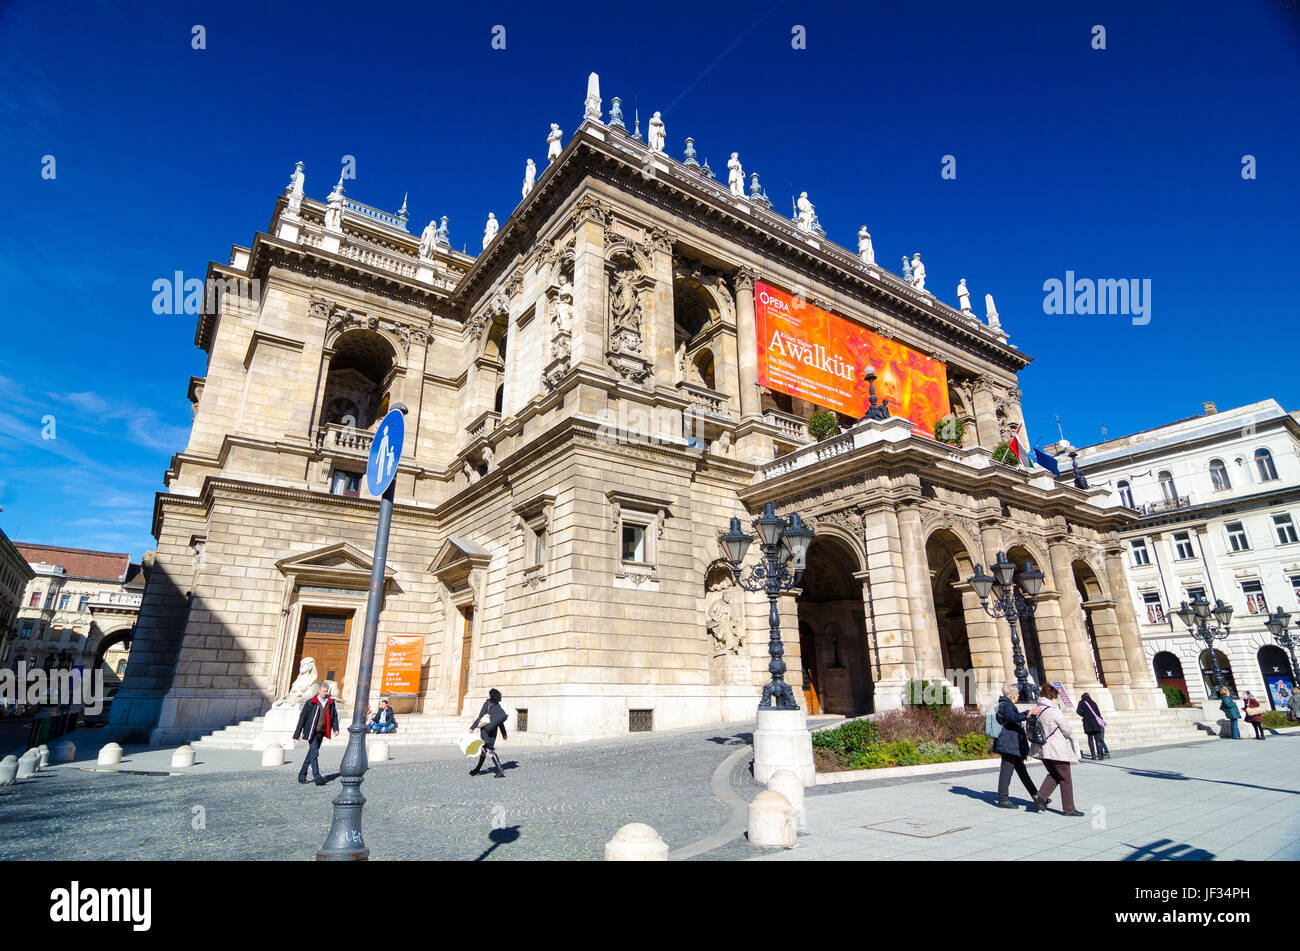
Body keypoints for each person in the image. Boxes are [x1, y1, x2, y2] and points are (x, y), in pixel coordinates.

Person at [1028, 684, 1084, 817]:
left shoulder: (1037, 709)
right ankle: (1069, 809)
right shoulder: (1053, 710)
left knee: (1054, 774)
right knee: (1065, 779)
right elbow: (1067, 729)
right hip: (1056, 749)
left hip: (1041, 748)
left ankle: (1040, 797)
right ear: (1053, 697)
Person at [992, 684, 1039, 809]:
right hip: (1008, 743)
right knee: (1006, 772)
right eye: (1017, 694)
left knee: (1022, 772)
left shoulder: (1007, 704)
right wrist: (1027, 713)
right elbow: (1012, 717)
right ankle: (1002, 799)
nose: (1018, 696)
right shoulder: (1005, 705)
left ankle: (1037, 796)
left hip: (1012, 743)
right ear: (1012, 695)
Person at [292, 681, 339, 786]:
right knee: (315, 753)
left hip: (321, 732)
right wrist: (296, 735)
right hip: (311, 732)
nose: (325, 693)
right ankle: (317, 777)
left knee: (311, 754)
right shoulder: (310, 702)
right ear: (319, 691)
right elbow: (302, 719)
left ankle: (302, 775)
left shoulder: (330, 702)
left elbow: (334, 716)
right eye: (323, 691)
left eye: (326, 691)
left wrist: (336, 729)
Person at [468, 688, 509, 778]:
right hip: (493, 730)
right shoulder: (497, 705)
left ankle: (500, 769)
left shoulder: (487, 703)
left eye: (489, 694)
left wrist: (472, 728)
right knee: (484, 749)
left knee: (489, 749)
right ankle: (477, 770)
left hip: (486, 730)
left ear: (491, 695)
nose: (487, 695)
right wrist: (504, 734)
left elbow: (480, 717)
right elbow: (500, 721)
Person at [1077, 691, 1110, 760]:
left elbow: (1078, 711)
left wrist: (1084, 714)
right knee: (1098, 741)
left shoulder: (1082, 702)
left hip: (1088, 724)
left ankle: (1093, 755)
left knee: (1090, 740)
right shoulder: (1093, 703)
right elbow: (1098, 714)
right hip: (1096, 724)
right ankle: (1100, 756)